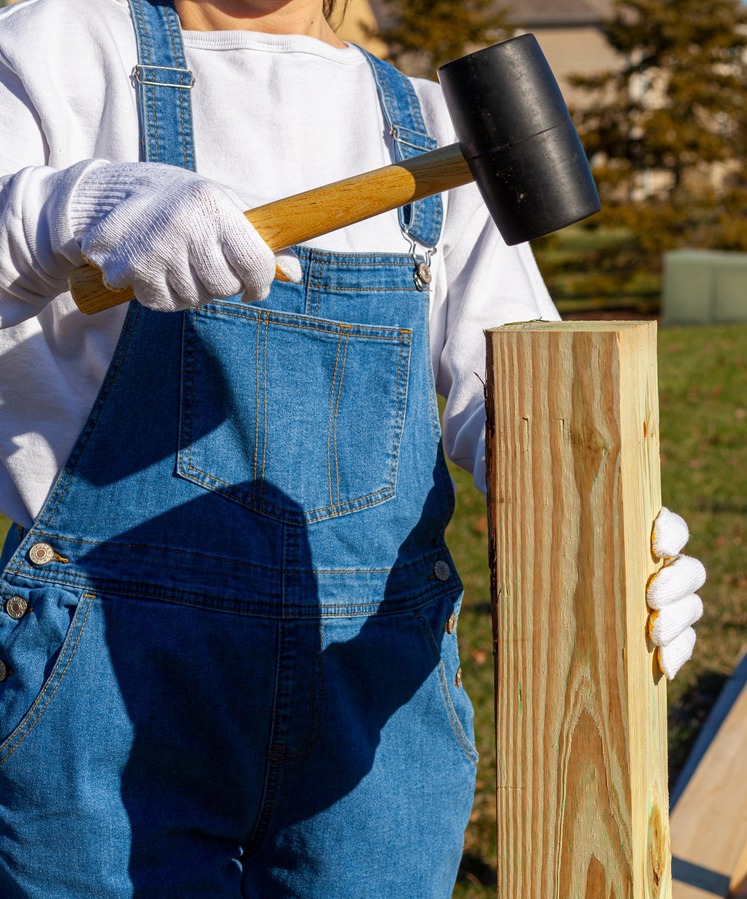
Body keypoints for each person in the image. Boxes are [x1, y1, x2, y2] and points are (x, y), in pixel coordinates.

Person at [0, 0, 704, 894]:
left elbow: (518, 394)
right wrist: (61, 209)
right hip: (104, 686)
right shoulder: (55, 45)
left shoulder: (428, 122)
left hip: (373, 698)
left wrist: (609, 544)